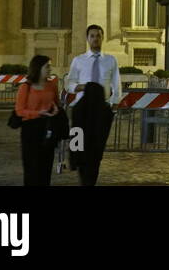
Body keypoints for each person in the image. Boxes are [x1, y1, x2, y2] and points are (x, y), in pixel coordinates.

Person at [65, 24, 121, 186]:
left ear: (102, 38)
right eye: (92, 36)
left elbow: (116, 84)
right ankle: (83, 177)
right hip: (82, 111)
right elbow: (69, 84)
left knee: (96, 151)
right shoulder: (78, 60)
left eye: (98, 35)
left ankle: (90, 181)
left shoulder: (110, 60)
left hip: (101, 112)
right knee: (79, 147)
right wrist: (84, 87)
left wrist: (113, 104)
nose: (95, 38)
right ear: (87, 39)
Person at [15, 54, 62, 186]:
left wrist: (56, 110)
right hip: (30, 130)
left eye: (50, 66)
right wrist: (37, 113)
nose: (50, 69)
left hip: (47, 128)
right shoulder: (26, 87)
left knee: (45, 168)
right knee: (31, 169)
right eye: (47, 66)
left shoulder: (52, 85)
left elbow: (56, 104)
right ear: (38, 68)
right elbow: (20, 111)